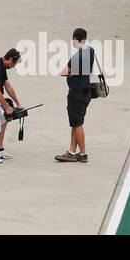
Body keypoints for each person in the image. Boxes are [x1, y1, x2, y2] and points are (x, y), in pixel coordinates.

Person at [56, 29, 94, 163]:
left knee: (77, 124)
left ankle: (83, 154)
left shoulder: (76, 57)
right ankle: (72, 151)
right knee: (75, 122)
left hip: (76, 93)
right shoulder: (90, 51)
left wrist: (71, 73)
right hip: (86, 92)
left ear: (76, 39)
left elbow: (63, 72)